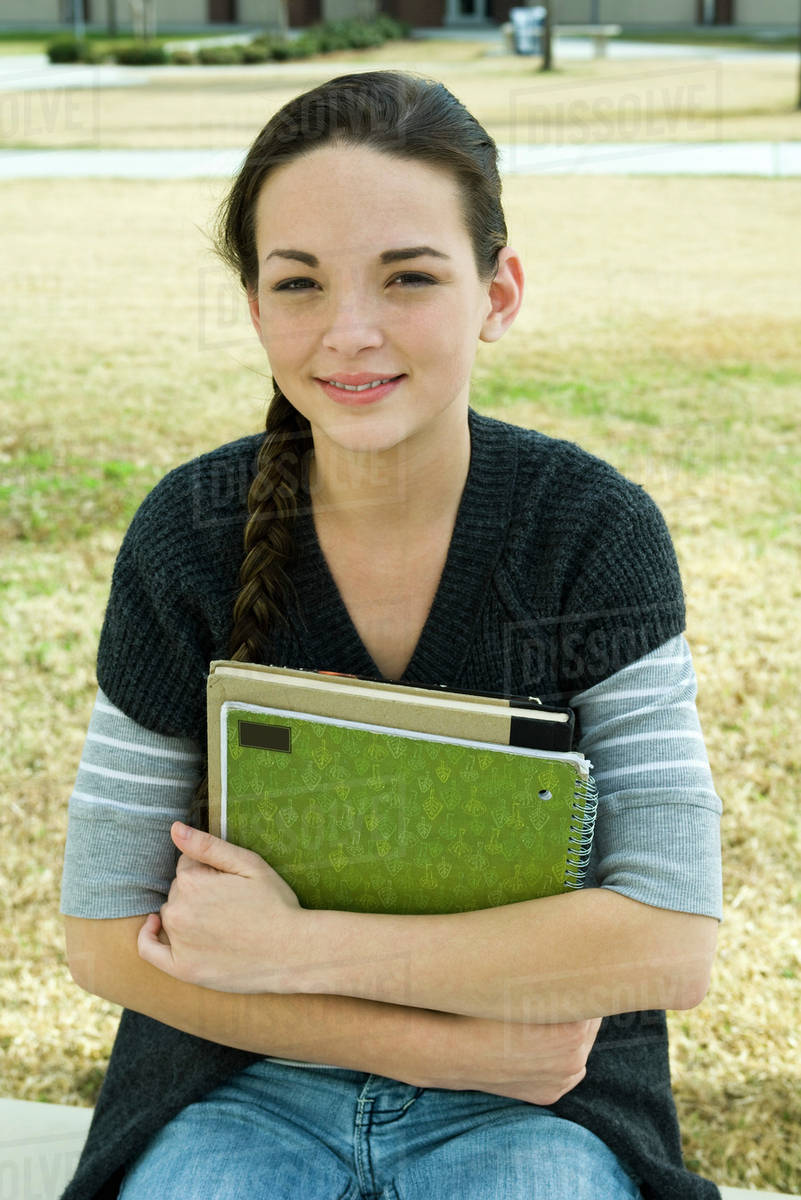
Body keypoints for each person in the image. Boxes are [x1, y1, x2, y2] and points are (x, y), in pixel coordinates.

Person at [59, 71, 723, 1200]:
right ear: (256, 307)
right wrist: (439, 1046)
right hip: (240, 1080)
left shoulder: (588, 530)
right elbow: (102, 934)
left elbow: (668, 940)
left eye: (408, 276)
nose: (349, 332)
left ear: (497, 293)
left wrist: (291, 948)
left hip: (541, 1099)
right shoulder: (190, 532)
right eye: (299, 283)